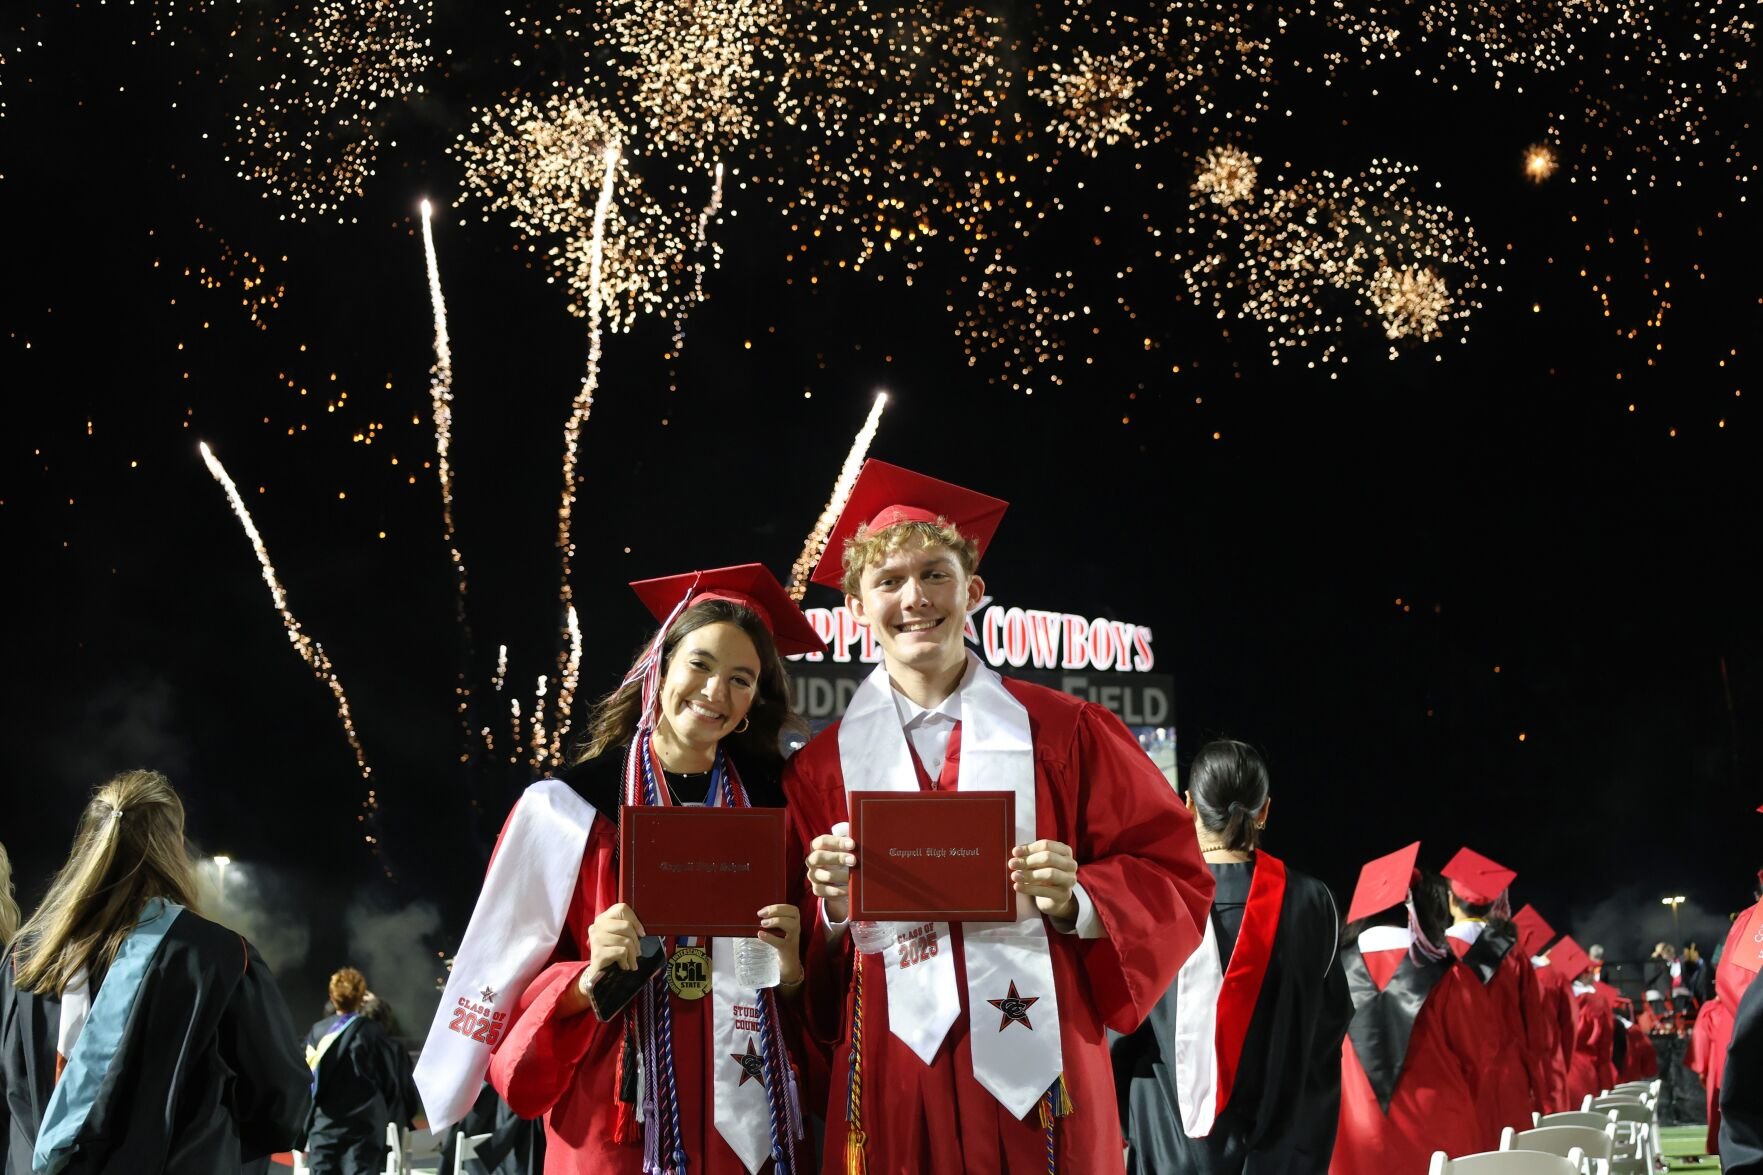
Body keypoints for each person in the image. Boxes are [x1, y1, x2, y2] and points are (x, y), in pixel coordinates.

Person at [790, 461, 1215, 1172]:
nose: (914, 597)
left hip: (1039, 1066)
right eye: (888, 581)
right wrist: (831, 910)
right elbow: (795, 966)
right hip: (893, 1069)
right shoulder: (819, 770)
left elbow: (1173, 869)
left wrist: (1078, 896)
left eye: (935, 574)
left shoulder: (1066, 732)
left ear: (973, 592)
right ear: (857, 607)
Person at [418, 564, 824, 1174]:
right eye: (700, 664)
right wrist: (587, 975)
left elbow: (808, 988)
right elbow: (508, 977)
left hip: (748, 1110)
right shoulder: (567, 811)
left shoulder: (778, 814)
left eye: (741, 679)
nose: (716, 691)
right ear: (659, 667)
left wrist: (790, 968)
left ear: (751, 704)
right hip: (619, 1113)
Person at [0, 769, 310, 1173]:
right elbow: (280, 1103)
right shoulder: (217, 956)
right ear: (174, 846)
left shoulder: (25, 957)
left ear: (86, 844)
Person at [1110, 739, 1350, 1173]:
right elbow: (1326, 1037)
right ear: (1264, 810)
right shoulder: (1316, 904)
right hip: (1279, 1157)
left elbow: (1119, 1036)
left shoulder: (1151, 898)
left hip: (1170, 1151)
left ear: (1188, 806)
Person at [1331, 844, 1498, 1175]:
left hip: (1353, 1133)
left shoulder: (1330, 972)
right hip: (1441, 1134)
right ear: (1418, 905)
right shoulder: (1449, 972)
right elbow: (1479, 1055)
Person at [1438, 848, 1549, 1128]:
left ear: (1451, 901)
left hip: (1459, 1077)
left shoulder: (1439, 953)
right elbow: (1534, 1025)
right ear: (1491, 905)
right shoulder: (1514, 954)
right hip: (1510, 1077)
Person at [303, 967, 426, 1173]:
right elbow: (389, 1081)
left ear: (332, 996)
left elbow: (309, 1079)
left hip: (325, 1125)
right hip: (364, 1127)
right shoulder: (372, 1032)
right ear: (361, 997)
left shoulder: (319, 1031)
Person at [1514, 903, 1577, 1114]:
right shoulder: (1555, 977)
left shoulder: (1507, 973)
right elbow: (1570, 1024)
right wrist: (1563, 1062)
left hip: (1514, 1066)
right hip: (1550, 1063)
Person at [1552, 936, 1616, 1109]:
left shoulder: (1553, 999)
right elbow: (1605, 1046)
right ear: (1584, 974)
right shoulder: (1598, 1003)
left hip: (1556, 1071)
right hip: (1587, 1070)